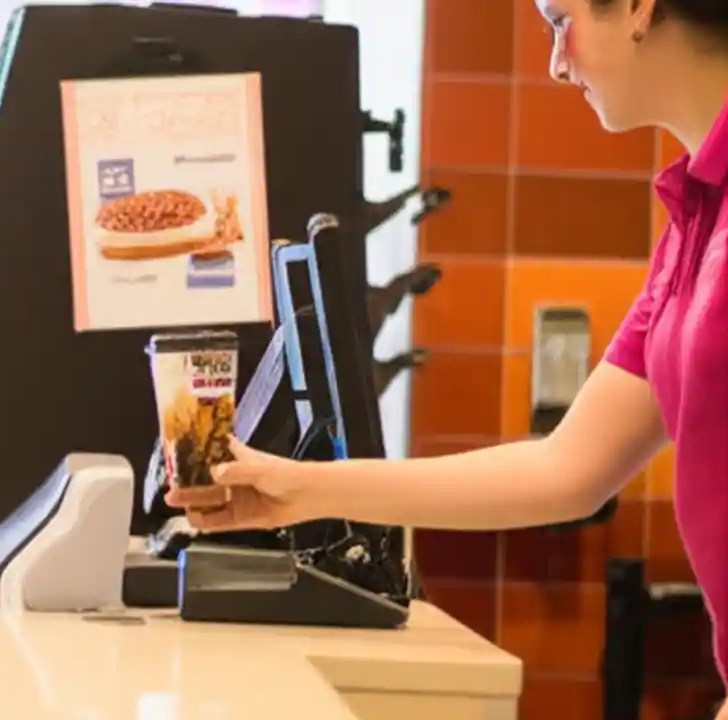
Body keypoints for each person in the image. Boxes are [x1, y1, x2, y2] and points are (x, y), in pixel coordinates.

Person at [168, 0, 728, 704]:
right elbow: (568, 469)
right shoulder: (695, 221)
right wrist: (290, 490)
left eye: (560, 21)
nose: (556, 63)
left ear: (641, 8)